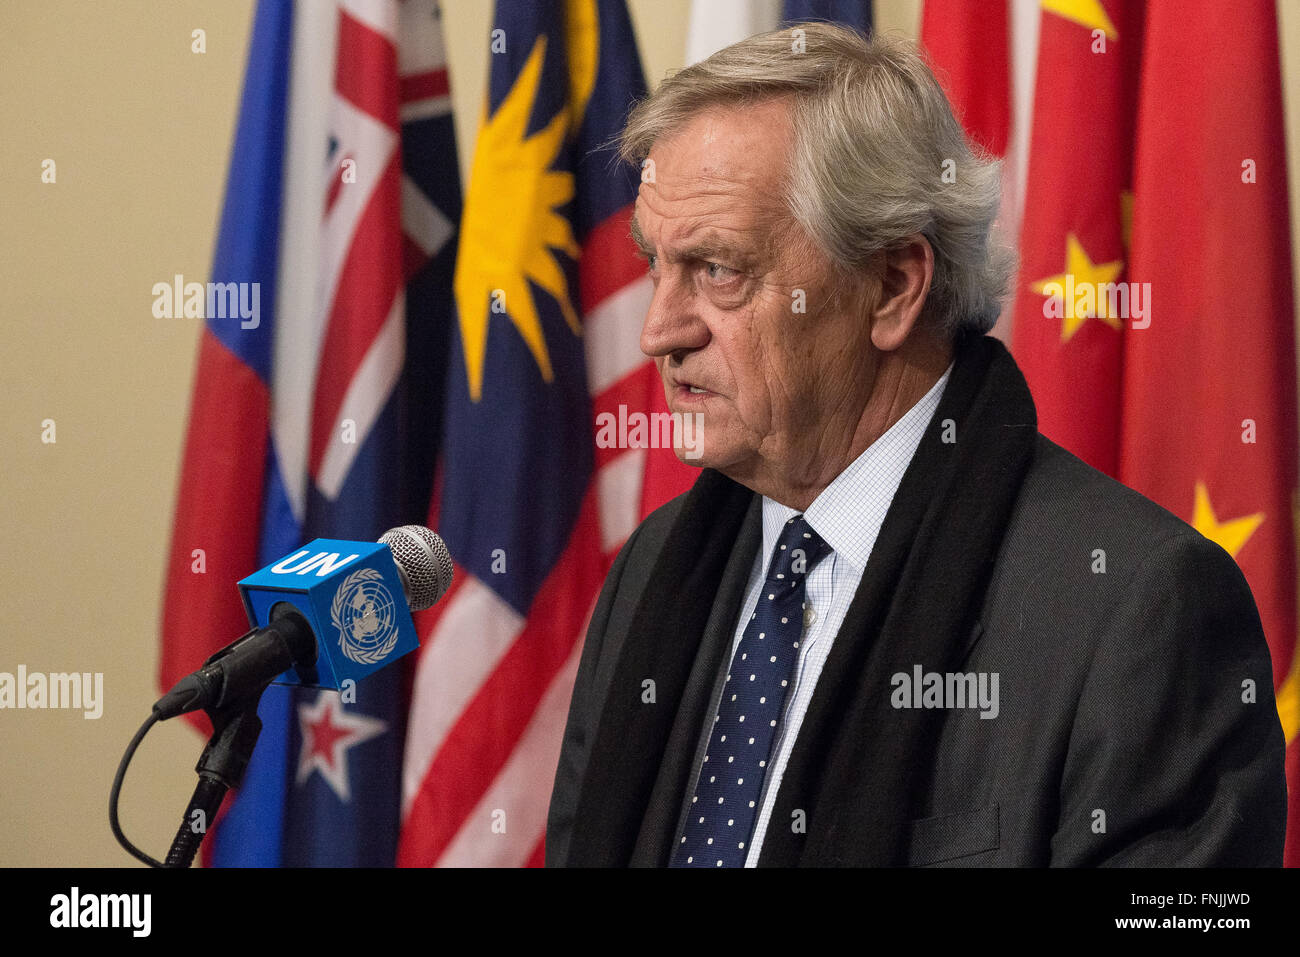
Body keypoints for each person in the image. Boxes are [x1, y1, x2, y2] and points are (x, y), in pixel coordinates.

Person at [545, 23, 1287, 866]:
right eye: (656, 265)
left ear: (894, 286)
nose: (658, 331)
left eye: (718, 270)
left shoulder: (1139, 611)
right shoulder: (652, 567)